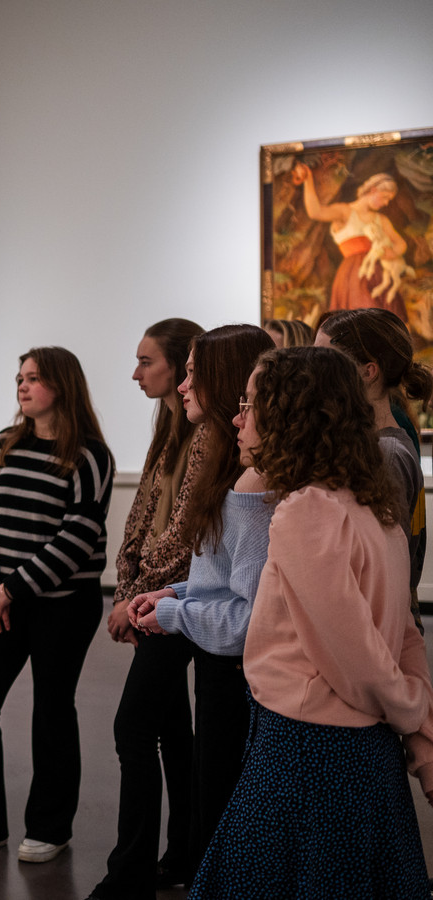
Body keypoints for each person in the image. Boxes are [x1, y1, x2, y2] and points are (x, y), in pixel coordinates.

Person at [189, 346, 433, 898]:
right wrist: (417, 725)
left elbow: (359, 658)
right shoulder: (374, 506)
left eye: (251, 405)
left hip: (310, 752)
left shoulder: (305, 512)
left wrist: (412, 710)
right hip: (357, 752)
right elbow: (403, 634)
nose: (238, 418)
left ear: (291, 416)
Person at [0, 346, 114, 863]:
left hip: (62, 602)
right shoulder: (3, 445)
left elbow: (77, 536)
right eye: (20, 377)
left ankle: (50, 827)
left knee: (52, 708)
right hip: (0, 601)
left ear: (62, 385)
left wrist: (12, 589)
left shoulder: (89, 456)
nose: (22, 385)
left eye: (34, 378)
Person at [128, 323, 276, 879]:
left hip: (235, 663)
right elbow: (218, 575)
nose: (185, 386)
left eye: (194, 373)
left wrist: (168, 606)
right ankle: (182, 862)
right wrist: (173, 591)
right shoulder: (216, 455)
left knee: (219, 794)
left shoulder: (248, 479)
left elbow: (248, 610)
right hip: (214, 648)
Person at [85, 318, 204, 900]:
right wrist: (123, 586)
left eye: (145, 362)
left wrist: (135, 600)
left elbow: (185, 533)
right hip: (153, 599)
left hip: (181, 601)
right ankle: (181, 852)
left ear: (182, 365)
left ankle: (129, 870)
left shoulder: (207, 436)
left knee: (134, 727)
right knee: (172, 730)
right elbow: (142, 516)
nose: (135, 373)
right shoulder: (168, 424)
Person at [316, 308, 431, 632]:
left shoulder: (387, 453)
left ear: (368, 372)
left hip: (380, 630)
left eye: (325, 360)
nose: (313, 371)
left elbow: (382, 572)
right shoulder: (371, 445)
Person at [293, 164, 409, 321]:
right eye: (385, 197)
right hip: (353, 276)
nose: (386, 203)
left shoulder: (381, 220)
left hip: (380, 275)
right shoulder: (344, 211)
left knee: (385, 324)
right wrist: (308, 179)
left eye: (389, 199)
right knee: (359, 321)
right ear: (373, 190)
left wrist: (390, 253)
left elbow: (401, 244)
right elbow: (315, 212)